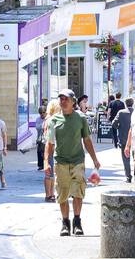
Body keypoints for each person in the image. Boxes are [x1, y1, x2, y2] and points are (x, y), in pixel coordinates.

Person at [45, 89, 101, 236]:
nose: (63, 102)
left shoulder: (80, 118)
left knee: (78, 192)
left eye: (66, 99)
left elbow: (87, 140)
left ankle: (77, 222)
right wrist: (46, 162)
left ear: (73, 102)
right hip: (61, 162)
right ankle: (65, 223)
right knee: (62, 194)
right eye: (61, 99)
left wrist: (95, 159)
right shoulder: (54, 120)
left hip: (77, 161)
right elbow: (49, 143)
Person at [42, 98, 61, 201]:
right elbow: (50, 138)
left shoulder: (48, 119)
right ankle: (49, 194)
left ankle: (51, 193)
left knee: (51, 172)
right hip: (50, 147)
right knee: (49, 172)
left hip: (50, 147)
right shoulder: (51, 120)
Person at [113, 97, 134, 182]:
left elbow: (114, 124)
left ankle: (128, 176)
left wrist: (119, 128)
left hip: (124, 138)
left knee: (126, 158)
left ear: (125, 104)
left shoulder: (121, 112)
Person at [35, 104, 47, 171]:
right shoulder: (38, 119)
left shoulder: (47, 118)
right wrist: (43, 126)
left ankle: (45, 165)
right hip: (39, 138)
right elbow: (37, 127)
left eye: (43, 112)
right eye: (40, 113)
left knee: (45, 152)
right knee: (39, 152)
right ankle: (40, 165)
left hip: (46, 138)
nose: (42, 114)